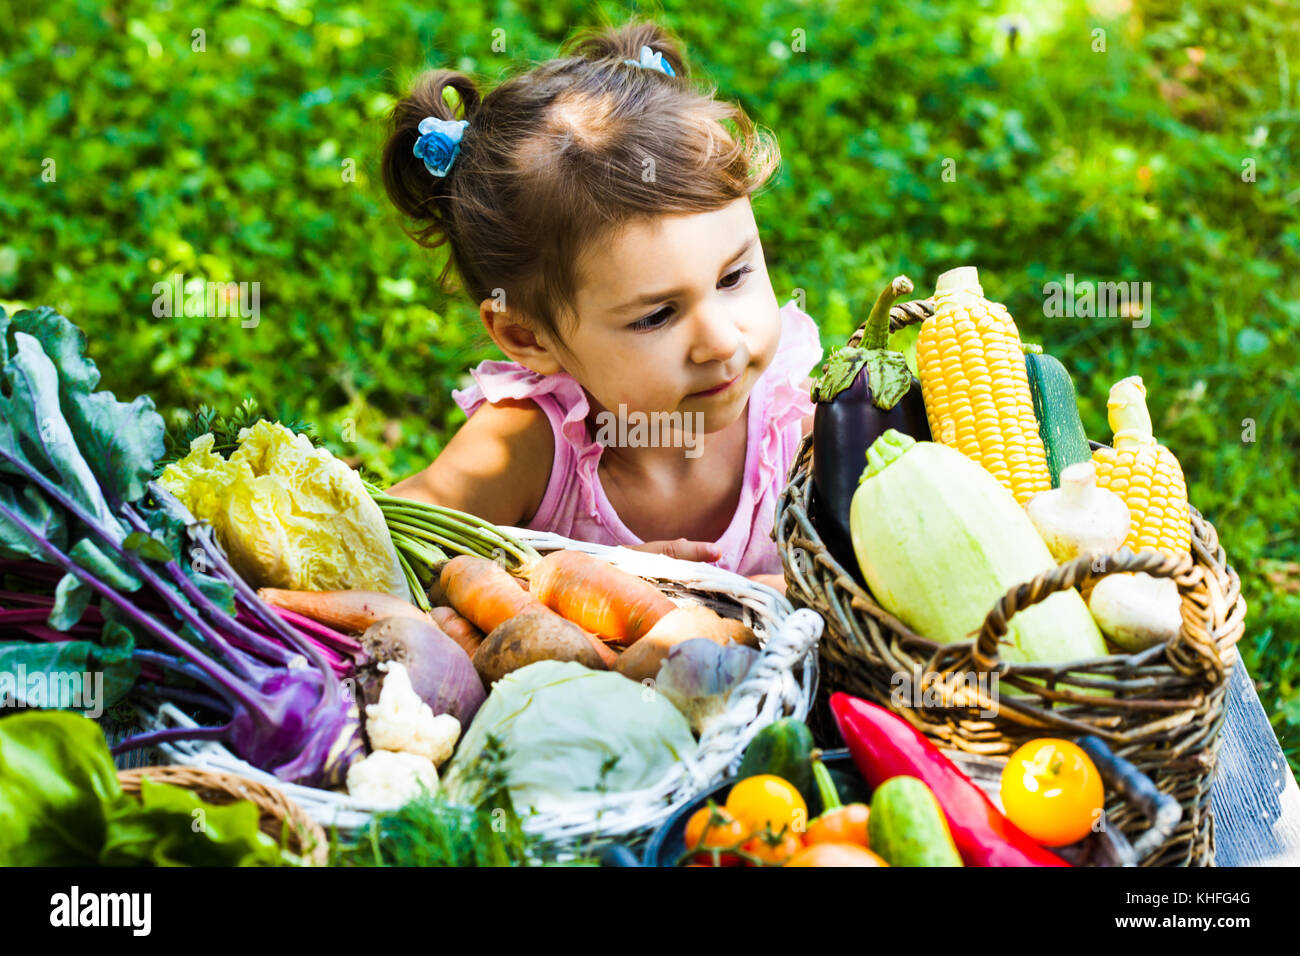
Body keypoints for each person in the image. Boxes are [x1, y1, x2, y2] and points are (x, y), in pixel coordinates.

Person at [381, 19, 823, 590]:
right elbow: (386, 549)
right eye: (656, 316)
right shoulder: (529, 450)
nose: (721, 340)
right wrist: (561, 582)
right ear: (529, 337)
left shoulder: (797, 428)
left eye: (734, 276)